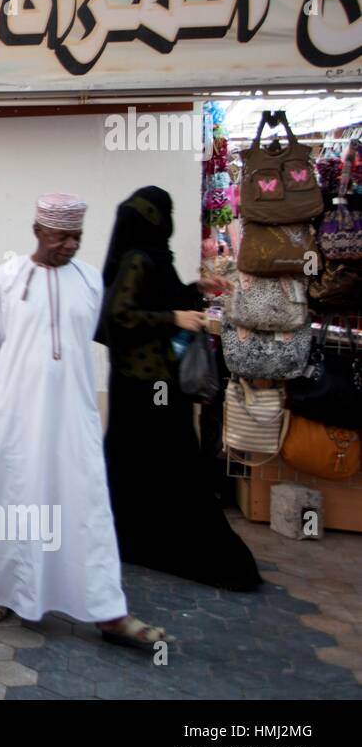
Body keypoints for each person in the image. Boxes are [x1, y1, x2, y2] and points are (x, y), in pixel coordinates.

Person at [0, 194, 170, 649]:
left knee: (84, 504)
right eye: (61, 236)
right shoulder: (4, 280)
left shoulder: (89, 281)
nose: (69, 245)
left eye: (77, 237)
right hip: (18, 417)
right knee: (15, 499)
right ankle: (6, 592)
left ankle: (106, 611)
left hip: (74, 416)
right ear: (37, 231)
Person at [96, 186, 261, 591]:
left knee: (148, 464)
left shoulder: (153, 257)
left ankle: (139, 542)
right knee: (169, 462)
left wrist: (193, 292)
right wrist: (175, 317)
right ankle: (173, 547)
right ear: (155, 219)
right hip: (145, 385)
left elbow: (154, 298)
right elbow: (121, 316)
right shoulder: (138, 259)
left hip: (150, 383)